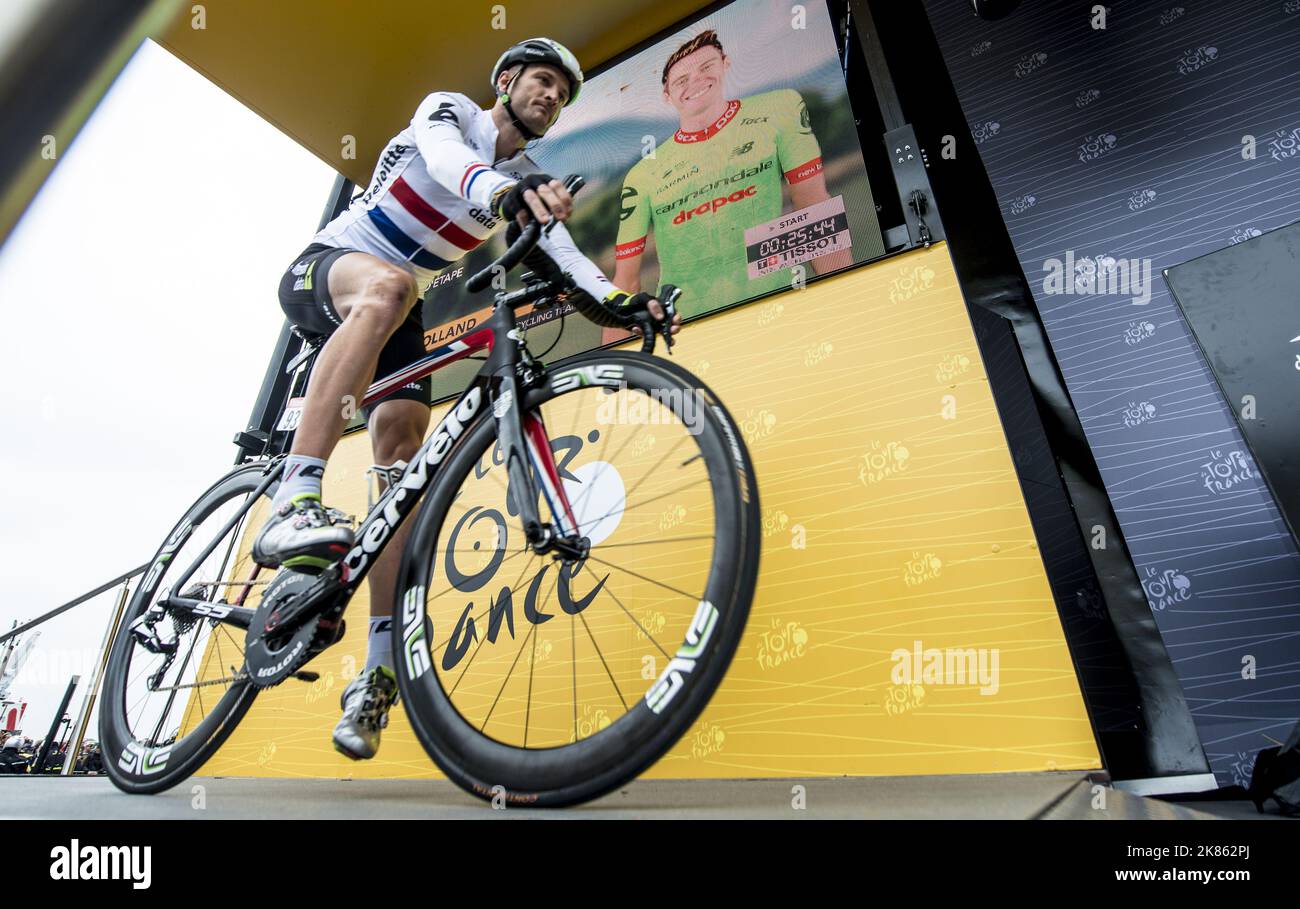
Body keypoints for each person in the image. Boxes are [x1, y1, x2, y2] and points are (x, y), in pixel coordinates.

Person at [251, 38, 680, 762]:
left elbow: (566, 253)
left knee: (403, 462)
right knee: (389, 287)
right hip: (330, 269)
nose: (550, 97)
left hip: (398, 304)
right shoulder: (449, 114)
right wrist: (502, 194)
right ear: (507, 80)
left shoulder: (525, 177)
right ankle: (292, 498)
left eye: (562, 95)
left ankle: (377, 671)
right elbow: (453, 166)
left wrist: (621, 302)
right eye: (542, 81)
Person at [612, 29, 854, 322]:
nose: (696, 82)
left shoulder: (780, 109)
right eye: (681, 81)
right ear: (667, 95)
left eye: (706, 67)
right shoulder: (642, 174)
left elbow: (814, 207)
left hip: (782, 308)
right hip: (685, 334)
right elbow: (625, 283)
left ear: (725, 63)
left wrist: (845, 302)